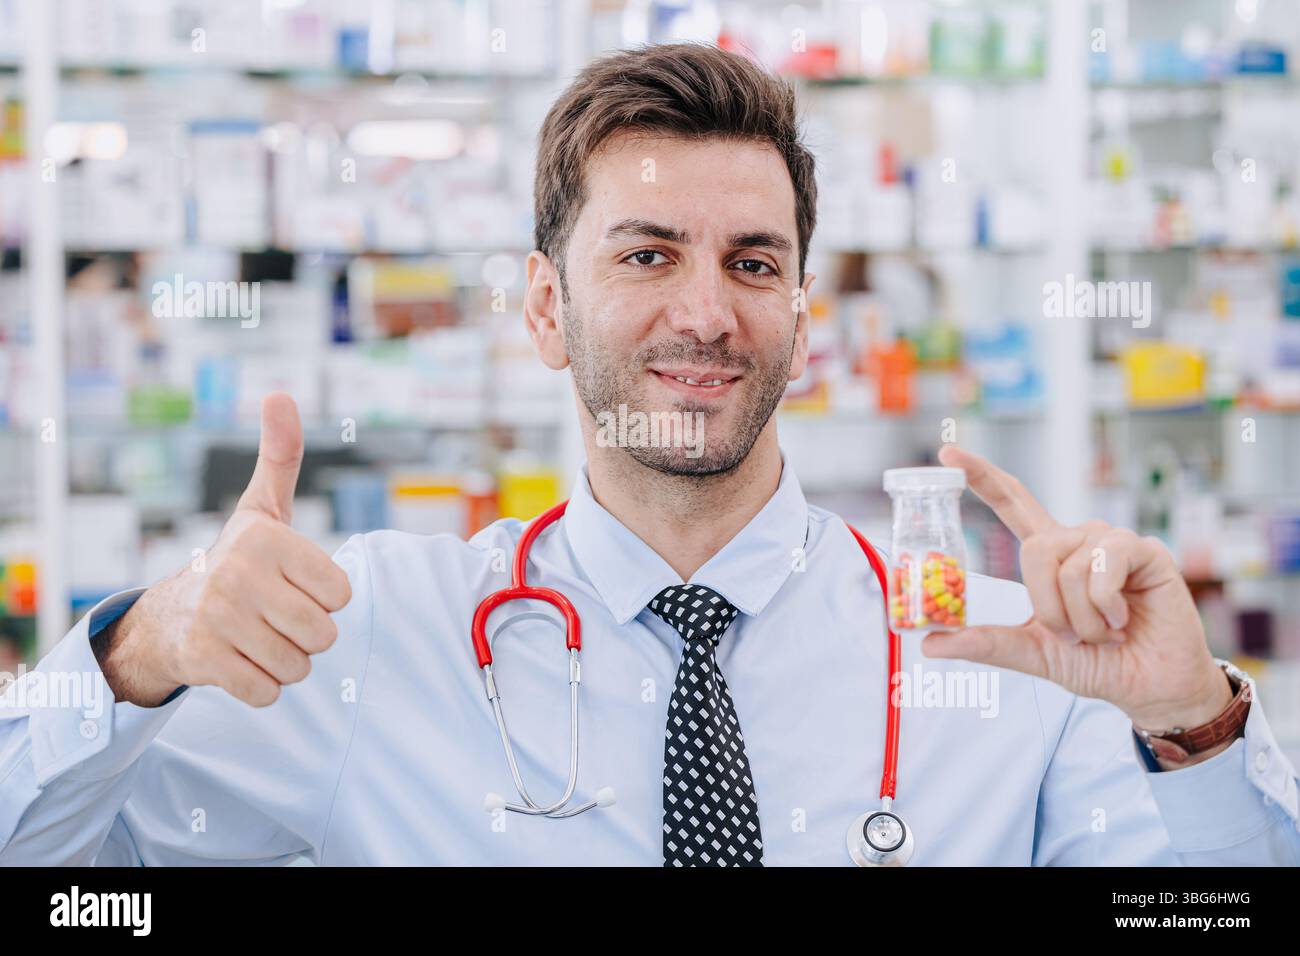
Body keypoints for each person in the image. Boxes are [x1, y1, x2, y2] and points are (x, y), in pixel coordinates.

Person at [2, 42, 1296, 867]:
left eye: (755, 263)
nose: (705, 313)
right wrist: (136, 652)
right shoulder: (374, 632)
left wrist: (1189, 726)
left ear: (805, 314)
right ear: (546, 308)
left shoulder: (1006, 657)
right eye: (645, 253)